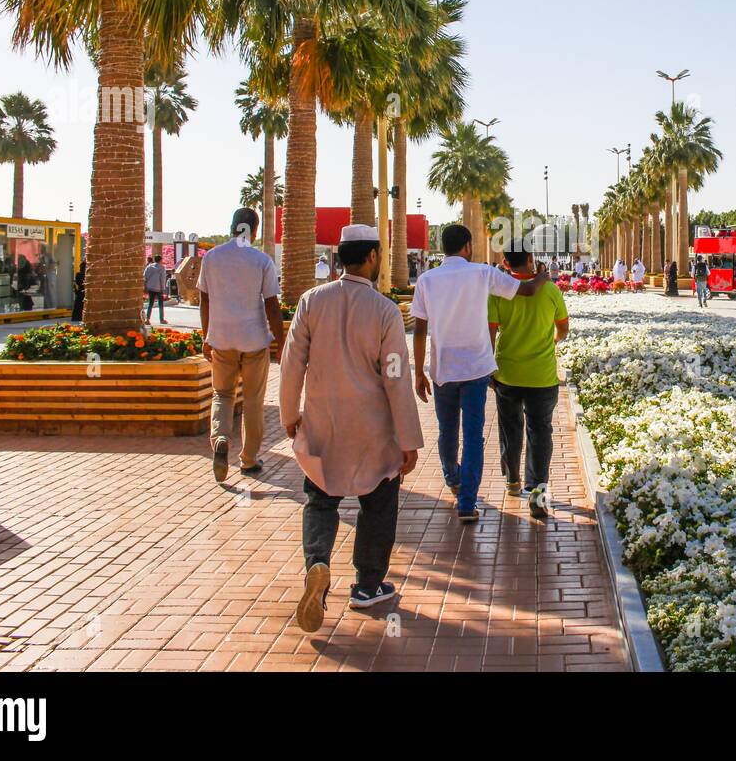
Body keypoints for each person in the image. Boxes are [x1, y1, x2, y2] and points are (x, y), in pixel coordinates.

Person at [281, 225, 425, 626]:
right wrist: (408, 439)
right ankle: (367, 585)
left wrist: (289, 415)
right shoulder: (384, 311)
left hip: (323, 421)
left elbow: (292, 363)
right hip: (373, 428)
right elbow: (396, 376)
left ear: (341, 256)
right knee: (378, 502)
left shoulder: (311, 301)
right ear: (374, 257)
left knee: (320, 497)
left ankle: (318, 563)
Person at [411, 224, 551, 523]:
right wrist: (542, 276)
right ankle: (467, 503)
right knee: (473, 436)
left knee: (447, 430)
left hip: (442, 369)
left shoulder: (427, 280)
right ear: (467, 246)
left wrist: (419, 371)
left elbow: (420, 329)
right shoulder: (481, 273)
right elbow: (525, 290)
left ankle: (452, 478)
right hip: (475, 368)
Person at [199, 207, 284, 482]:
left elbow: (204, 299)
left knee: (221, 394)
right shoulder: (261, 260)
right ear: (255, 230)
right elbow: (272, 304)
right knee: (253, 401)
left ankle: (221, 437)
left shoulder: (211, 258)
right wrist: (281, 341)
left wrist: (206, 336)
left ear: (232, 226)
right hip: (254, 340)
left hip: (221, 338)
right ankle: (248, 459)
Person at [488, 242, 569, 520]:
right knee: (540, 433)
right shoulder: (550, 289)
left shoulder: (499, 292)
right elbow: (563, 328)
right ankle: (538, 492)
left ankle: (512, 481)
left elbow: (490, 331)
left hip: (507, 373)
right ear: (532, 259)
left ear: (506, 263)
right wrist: (551, 342)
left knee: (510, 428)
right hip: (542, 375)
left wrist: (489, 367)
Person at [144, 255, 170, 324]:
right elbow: (162, 279)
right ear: (160, 260)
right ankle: (161, 319)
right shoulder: (162, 268)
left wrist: (146, 286)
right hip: (158, 288)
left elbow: (145, 276)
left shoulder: (149, 267)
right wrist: (163, 288)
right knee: (160, 304)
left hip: (150, 287)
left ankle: (147, 319)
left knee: (150, 303)